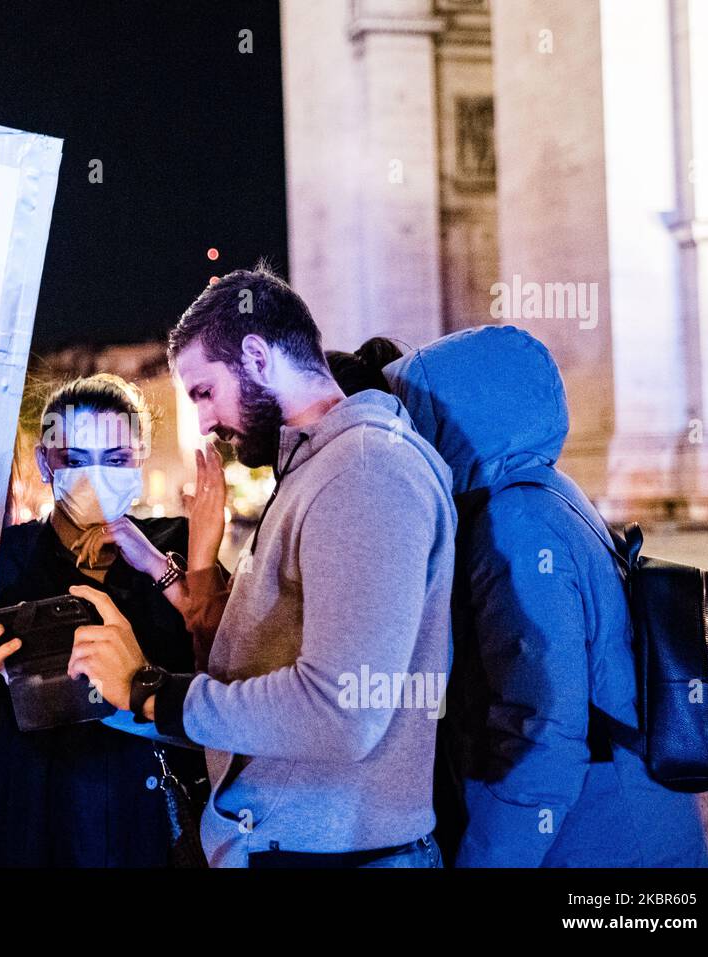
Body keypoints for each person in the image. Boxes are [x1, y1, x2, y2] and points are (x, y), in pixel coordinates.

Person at [69, 264, 457, 868]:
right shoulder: (317, 468)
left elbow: (341, 714)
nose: (203, 423)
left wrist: (151, 693)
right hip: (292, 845)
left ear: (256, 356)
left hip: (333, 855)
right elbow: (262, 672)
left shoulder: (363, 470)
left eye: (203, 392)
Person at [360, 324, 708, 867]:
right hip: (626, 818)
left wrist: (490, 861)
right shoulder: (545, 493)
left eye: (413, 416)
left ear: (455, 422)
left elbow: (543, 729)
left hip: (602, 840)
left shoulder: (516, 522)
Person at [0, 373, 216, 866]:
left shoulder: (174, 551)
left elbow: (227, 687)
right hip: (21, 827)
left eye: (115, 461)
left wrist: (161, 569)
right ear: (43, 462)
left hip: (142, 829)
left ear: (140, 459)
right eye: (74, 460)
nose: (95, 478)